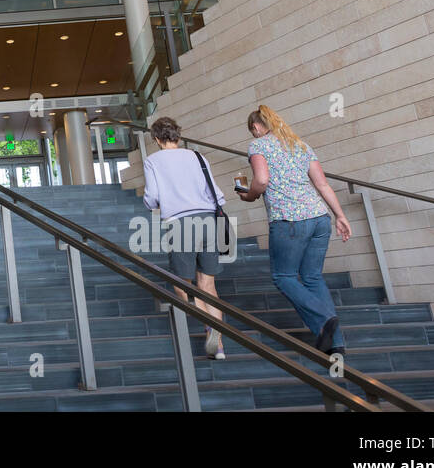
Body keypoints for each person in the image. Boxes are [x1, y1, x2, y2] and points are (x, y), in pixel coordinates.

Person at [238, 105, 352, 355]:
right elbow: (322, 184)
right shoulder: (300, 144)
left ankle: (323, 319)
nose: (253, 133)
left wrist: (249, 196)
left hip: (289, 220)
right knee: (312, 277)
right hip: (319, 218)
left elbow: (262, 180)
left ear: (256, 127)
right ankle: (336, 344)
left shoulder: (258, 145)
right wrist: (340, 216)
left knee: (284, 277)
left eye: (252, 129)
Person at [142, 116, 227, 360]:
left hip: (180, 223)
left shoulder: (153, 161)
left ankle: (209, 326)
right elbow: (216, 194)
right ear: (177, 136)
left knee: (181, 283)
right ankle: (218, 343)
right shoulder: (197, 157)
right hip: (208, 220)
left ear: (157, 139)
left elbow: (151, 197)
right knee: (208, 284)